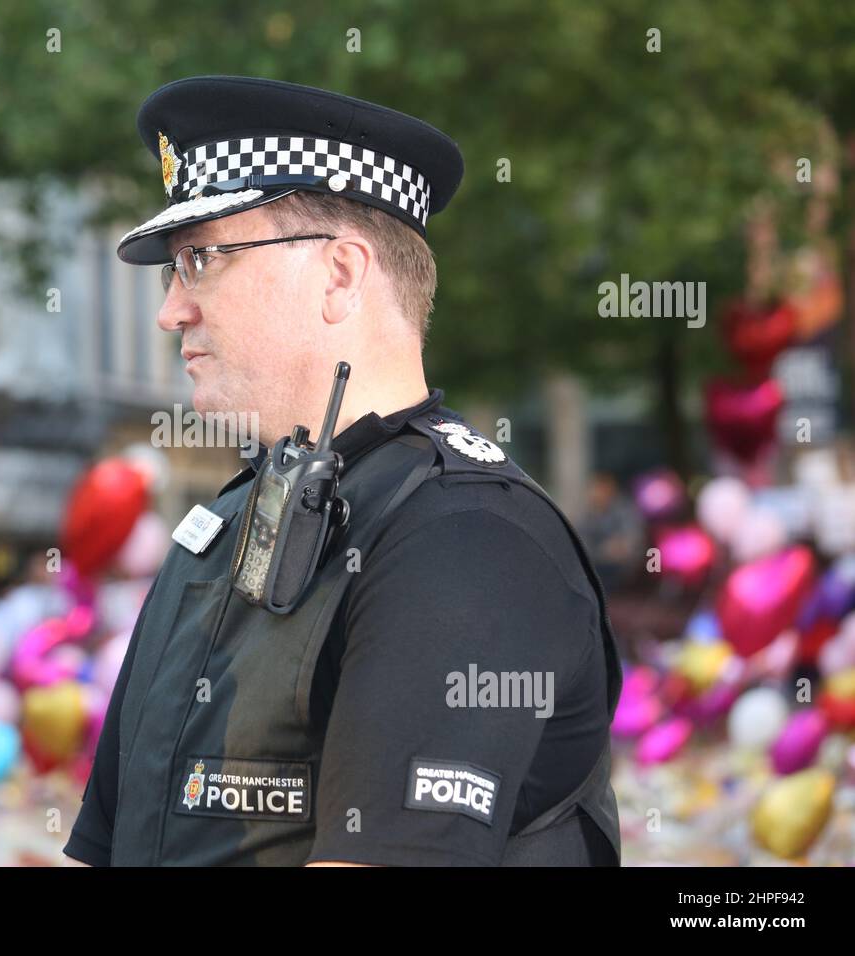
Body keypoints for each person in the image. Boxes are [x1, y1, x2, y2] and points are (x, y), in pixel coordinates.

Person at [62, 76, 622, 867]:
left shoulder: (466, 541)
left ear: (340, 276)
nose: (171, 310)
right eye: (171, 271)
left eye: (203, 260)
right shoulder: (220, 529)